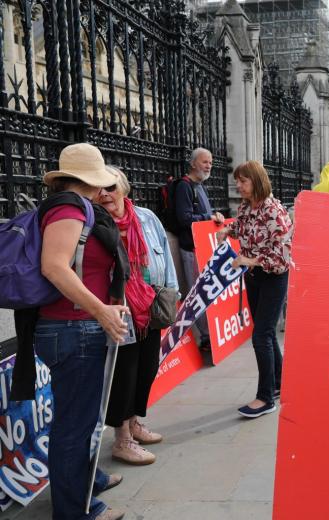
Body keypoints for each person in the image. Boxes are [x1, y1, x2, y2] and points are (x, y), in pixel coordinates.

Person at [36, 143, 130, 520]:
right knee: (75, 427)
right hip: (73, 328)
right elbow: (54, 267)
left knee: (83, 420)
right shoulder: (68, 208)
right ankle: (78, 511)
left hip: (75, 327)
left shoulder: (73, 207)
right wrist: (102, 311)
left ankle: (87, 484)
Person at [100, 166, 178, 466]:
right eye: (99, 189)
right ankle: (122, 440)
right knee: (124, 375)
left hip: (150, 307)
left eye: (111, 186)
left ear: (124, 187)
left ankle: (133, 423)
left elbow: (166, 258)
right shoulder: (96, 223)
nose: (105, 193)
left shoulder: (146, 217)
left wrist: (172, 292)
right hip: (120, 311)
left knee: (146, 370)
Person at [217, 161, 292, 418]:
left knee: (261, 335)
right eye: (237, 181)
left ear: (257, 181)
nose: (238, 186)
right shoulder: (247, 206)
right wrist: (228, 229)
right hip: (253, 277)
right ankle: (280, 384)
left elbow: (283, 256)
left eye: (243, 181)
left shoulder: (274, 210)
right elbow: (242, 227)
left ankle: (265, 397)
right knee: (266, 333)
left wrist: (250, 260)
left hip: (273, 277)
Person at [174, 148, 224, 351]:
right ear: (193, 163)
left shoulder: (200, 186)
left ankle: (212, 334)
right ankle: (206, 338)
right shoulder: (184, 187)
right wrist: (207, 218)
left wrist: (214, 217)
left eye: (210, 162)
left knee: (208, 292)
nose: (208, 165)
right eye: (205, 162)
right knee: (200, 293)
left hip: (202, 248)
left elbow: (204, 214)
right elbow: (184, 218)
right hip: (191, 248)